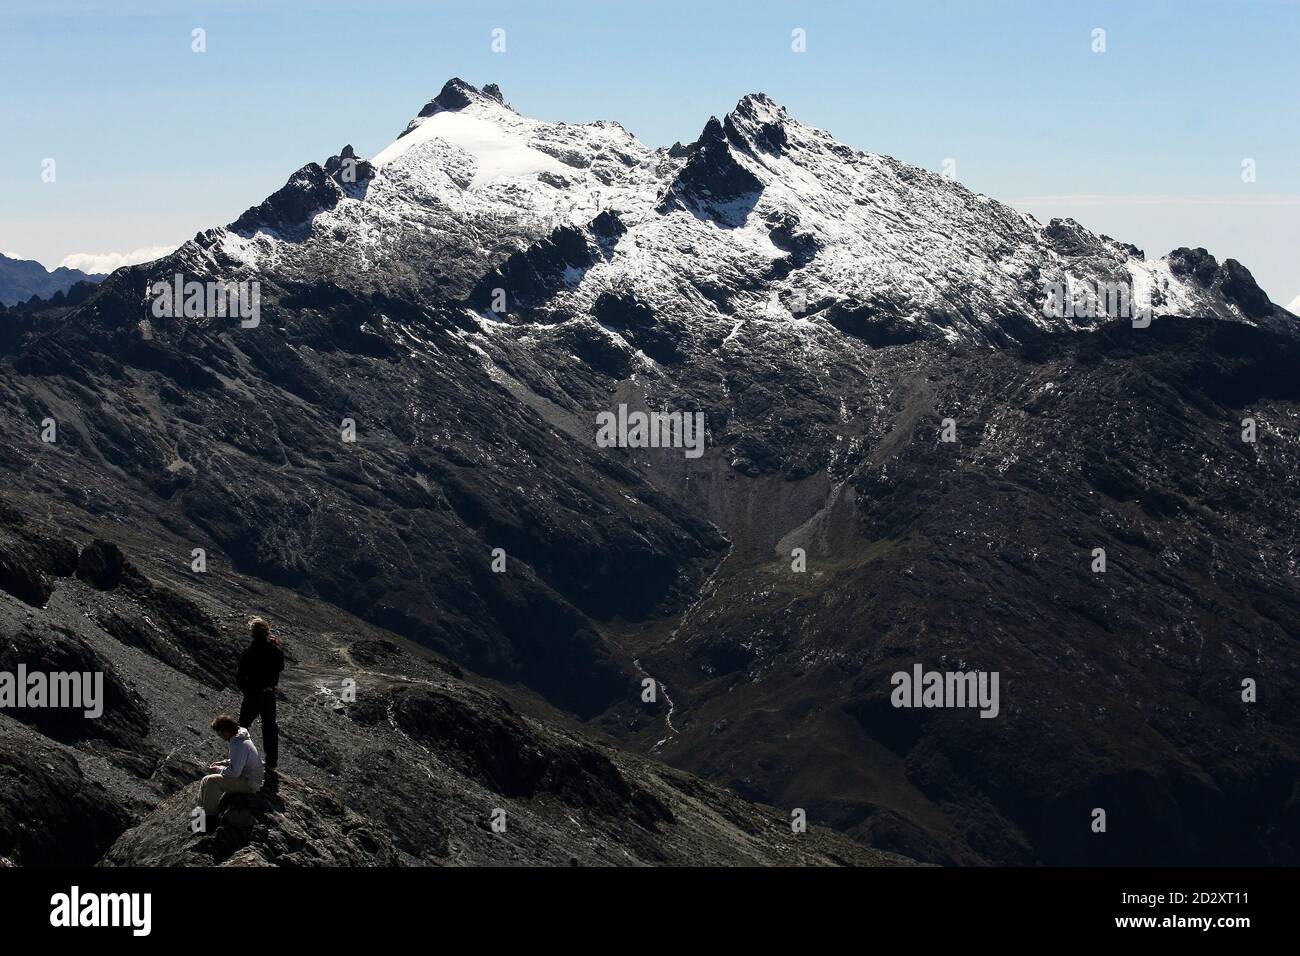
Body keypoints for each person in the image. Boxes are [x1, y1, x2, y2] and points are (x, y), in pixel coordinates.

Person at [236, 617, 284, 770]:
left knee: (243, 727)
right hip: (269, 695)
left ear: (253, 633)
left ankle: (240, 760)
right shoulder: (274, 650)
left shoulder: (249, 651)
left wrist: (246, 689)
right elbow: (280, 667)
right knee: (270, 727)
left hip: (253, 694)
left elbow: (241, 674)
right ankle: (271, 763)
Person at [199, 714, 264, 817]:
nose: (219, 735)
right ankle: (201, 816)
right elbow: (239, 760)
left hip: (250, 783)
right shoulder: (239, 738)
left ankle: (209, 817)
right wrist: (223, 763)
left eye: (219, 733)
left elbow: (234, 773)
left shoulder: (239, 744)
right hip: (247, 776)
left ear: (225, 732)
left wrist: (218, 769)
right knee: (205, 781)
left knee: (211, 781)